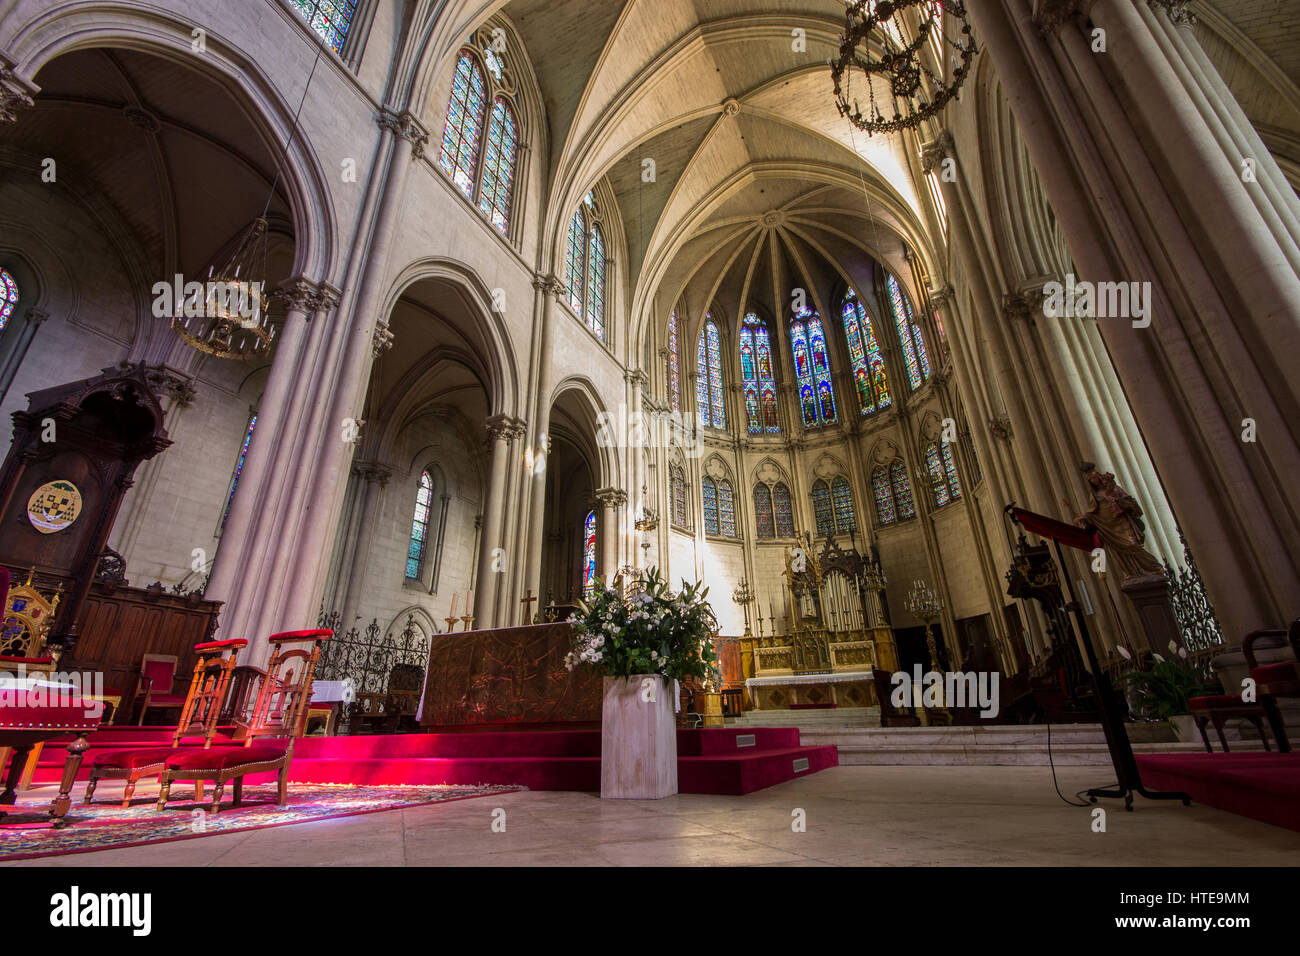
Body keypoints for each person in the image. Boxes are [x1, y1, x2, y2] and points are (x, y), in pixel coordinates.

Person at [1074, 462, 1166, 584]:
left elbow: (1129, 501)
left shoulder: (1114, 489)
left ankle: (1154, 567)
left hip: (1121, 524)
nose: (1093, 480)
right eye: (1090, 479)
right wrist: (1084, 518)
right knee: (1119, 552)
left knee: (1132, 545)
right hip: (1108, 527)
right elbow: (1094, 513)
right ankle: (1132, 572)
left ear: (1099, 476)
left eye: (1094, 477)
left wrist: (1117, 501)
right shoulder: (1095, 496)